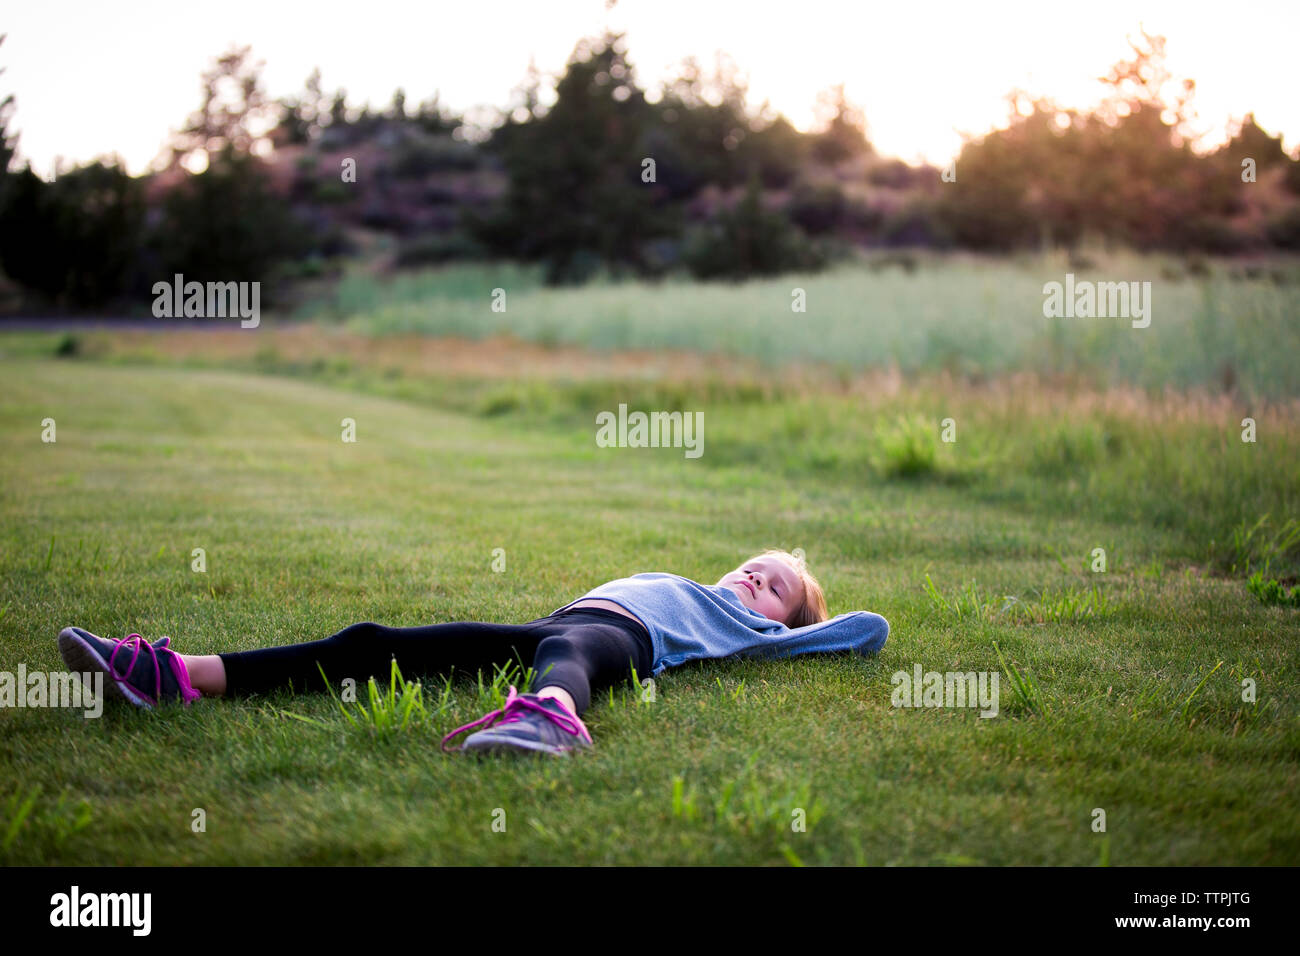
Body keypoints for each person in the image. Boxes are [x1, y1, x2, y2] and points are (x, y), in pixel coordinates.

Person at [57, 549, 889, 756]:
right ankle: (172, 675)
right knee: (373, 645)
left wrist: (799, 625)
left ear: (781, 624)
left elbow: (867, 630)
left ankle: (553, 720)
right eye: (754, 564)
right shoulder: (695, 582)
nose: (756, 576)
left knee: (568, 649)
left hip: (621, 643)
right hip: (556, 623)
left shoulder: (751, 634)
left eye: (775, 584)